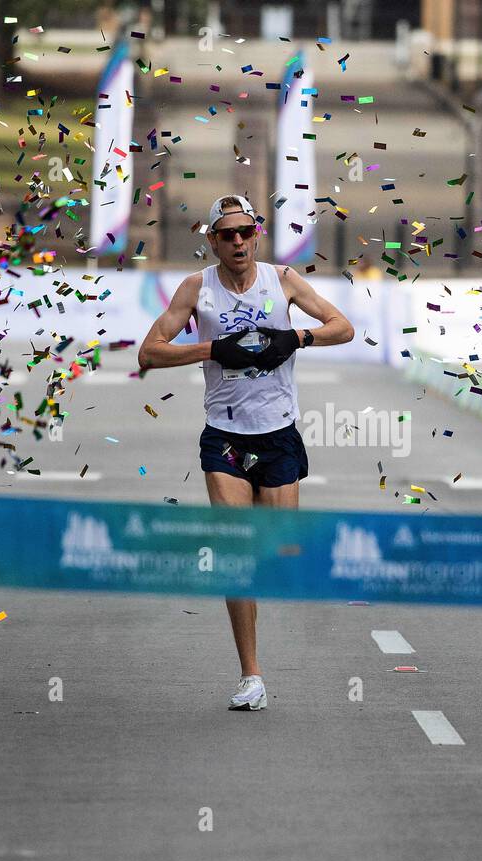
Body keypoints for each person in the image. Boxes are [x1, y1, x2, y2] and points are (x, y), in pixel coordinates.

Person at [138, 194, 354, 710]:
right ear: (212, 240)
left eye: (245, 232)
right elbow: (149, 352)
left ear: (257, 235)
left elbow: (342, 327)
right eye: (226, 234)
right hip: (225, 437)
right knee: (237, 552)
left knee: (276, 553)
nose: (238, 241)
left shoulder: (282, 281)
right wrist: (214, 349)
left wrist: (295, 338)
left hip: (277, 435)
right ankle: (250, 676)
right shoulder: (197, 289)